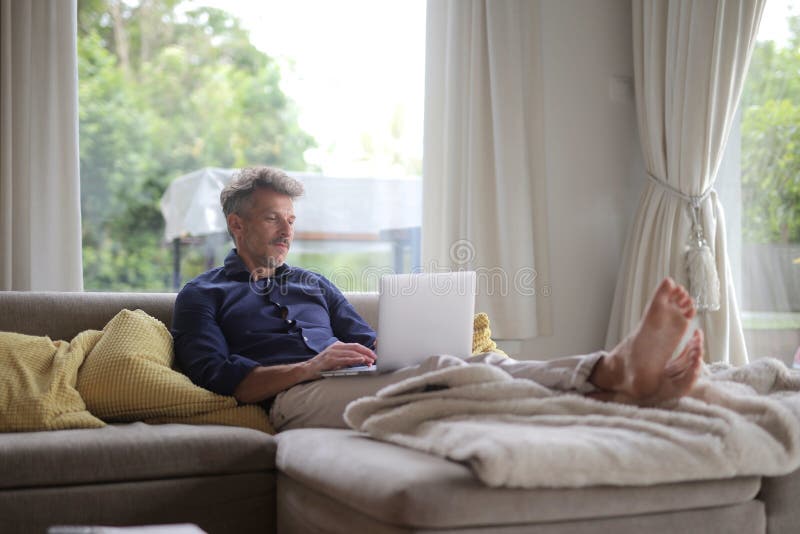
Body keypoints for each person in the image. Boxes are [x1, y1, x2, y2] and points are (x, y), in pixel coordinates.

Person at [172, 166, 705, 432]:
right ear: (237, 225)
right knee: (459, 381)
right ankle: (612, 380)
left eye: (291, 220)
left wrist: (404, 346)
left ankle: (612, 373)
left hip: (363, 379)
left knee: (483, 362)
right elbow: (213, 375)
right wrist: (309, 367)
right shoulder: (202, 295)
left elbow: (370, 342)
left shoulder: (315, 284)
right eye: (273, 219)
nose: (287, 232)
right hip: (293, 398)